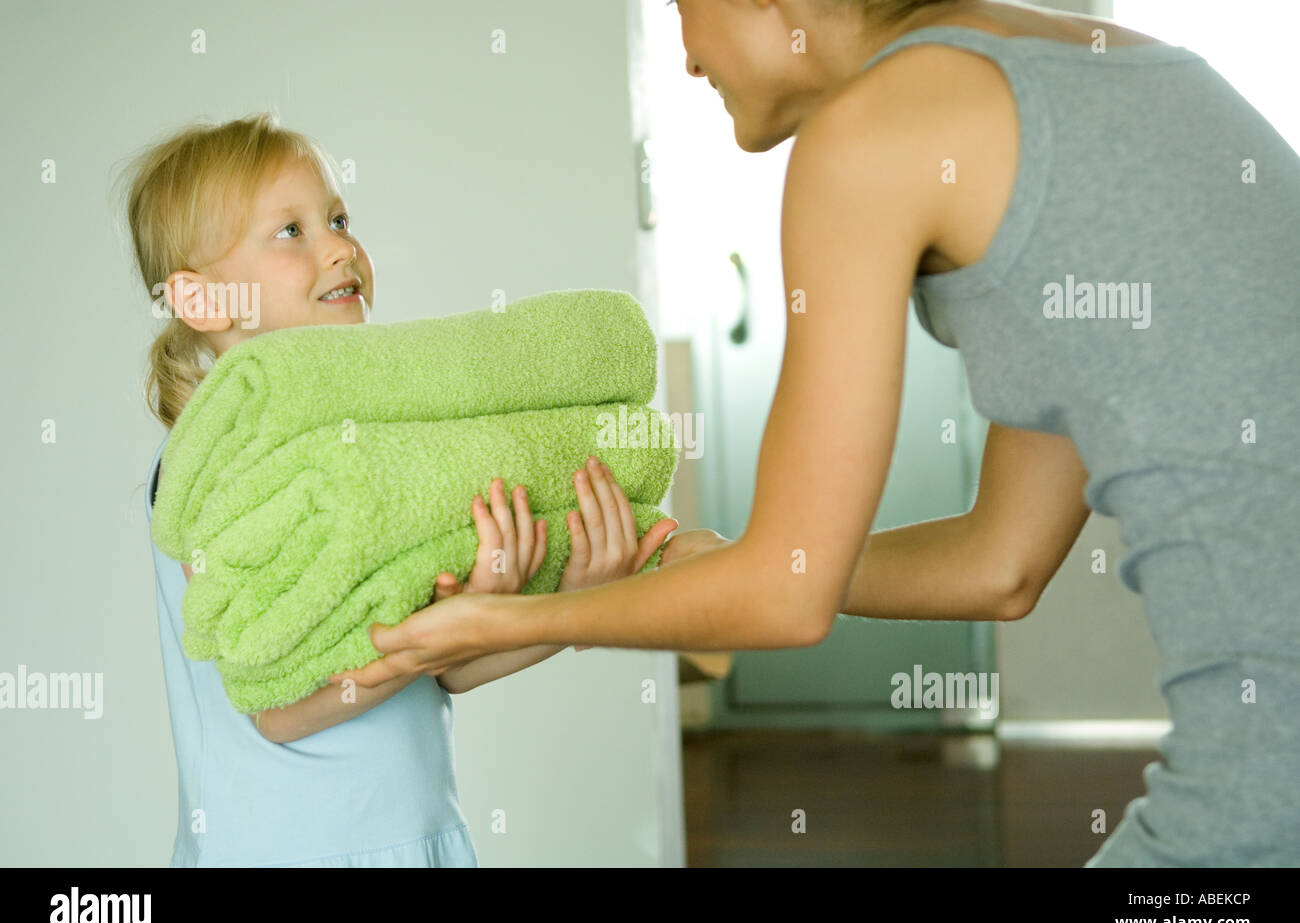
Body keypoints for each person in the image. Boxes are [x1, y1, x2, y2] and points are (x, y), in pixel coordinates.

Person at [330, 0, 1300, 866]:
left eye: (677, 4)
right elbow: (998, 565)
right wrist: (729, 560)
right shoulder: (1120, 69)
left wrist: (511, 622)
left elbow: (786, 601)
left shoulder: (872, 131)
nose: (682, 55)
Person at [130, 113, 675, 866]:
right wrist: (424, 644)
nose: (340, 247)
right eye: (290, 231)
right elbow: (278, 712)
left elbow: (445, 668)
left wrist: (569, 604)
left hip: (415, 839)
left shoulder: (365, 461)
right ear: (202, 302)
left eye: (339, 218)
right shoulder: (207, 467)